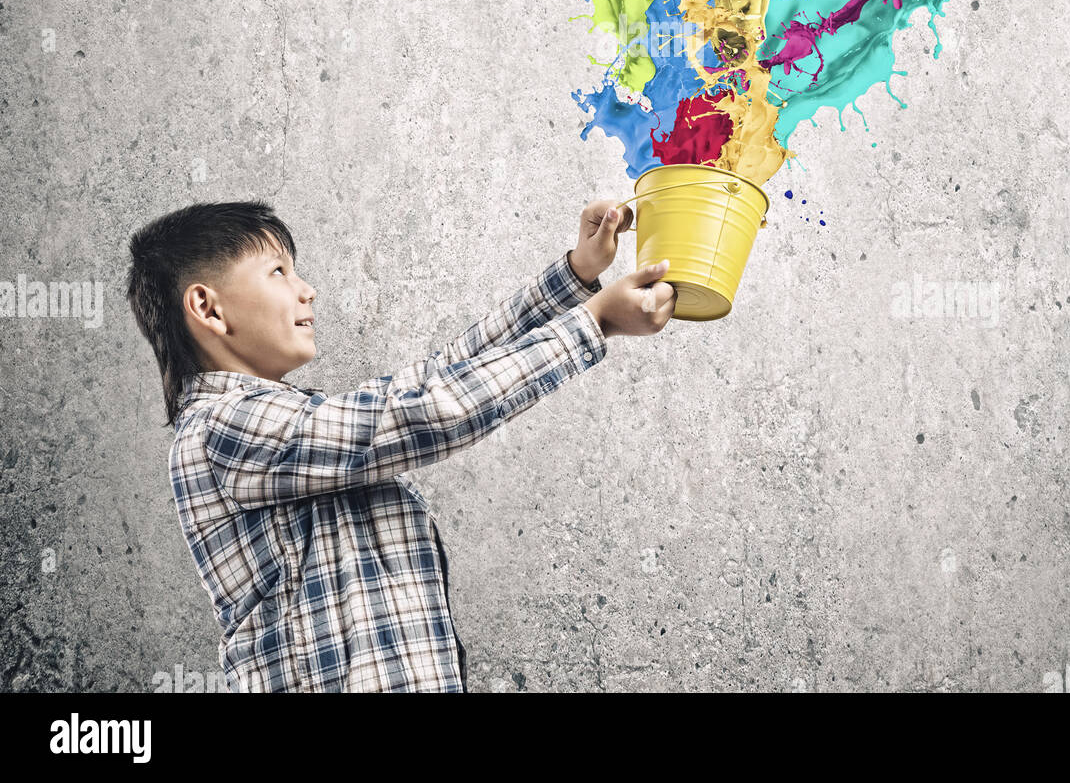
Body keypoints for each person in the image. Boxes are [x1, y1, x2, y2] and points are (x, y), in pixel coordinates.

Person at [127, 198, 675, 692]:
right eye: (278, 272)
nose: (306, 289)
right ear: (208, 308)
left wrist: (577, 276)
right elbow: (432, 409)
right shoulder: (224, 430)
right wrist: (594, 323)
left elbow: (442, 376)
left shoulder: (285, 423)